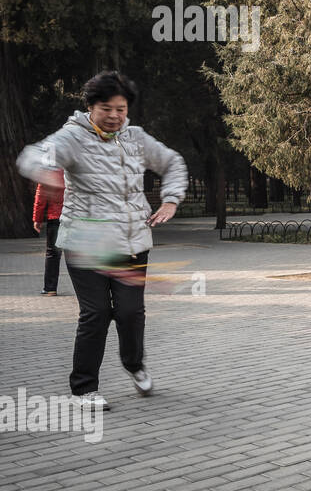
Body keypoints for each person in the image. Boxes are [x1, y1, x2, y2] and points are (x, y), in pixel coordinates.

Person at [16, 71, 187, 410]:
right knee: (95, 314)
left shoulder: (136, 138)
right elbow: (32, 156)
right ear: (91, 107)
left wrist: (170, 200)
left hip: (131, 241)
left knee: (130, 312)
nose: (114, 116)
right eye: (106, 108)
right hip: (87, 242)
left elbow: (173, 162)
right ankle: (84, 388)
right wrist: (47, 173)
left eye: (121, 109)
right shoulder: (71, 137)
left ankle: (135, 364)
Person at [33, 170, 66, 295]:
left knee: (53, 253)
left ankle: (50, 288)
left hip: (55, 218)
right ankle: (84, 289)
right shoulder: (74, 168)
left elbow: (40, 197)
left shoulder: (48, 171)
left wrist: (38, 219)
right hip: (73, 216)